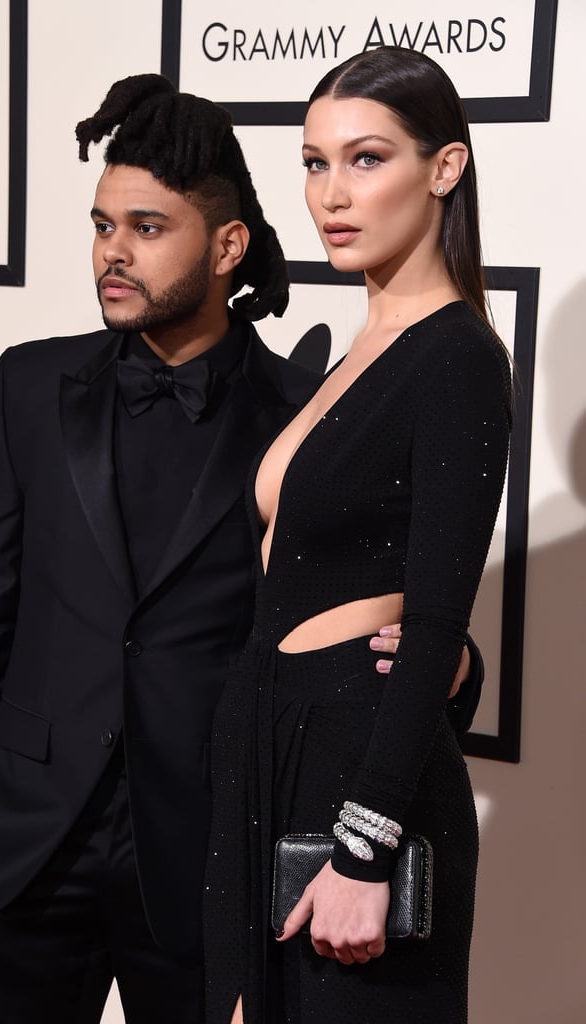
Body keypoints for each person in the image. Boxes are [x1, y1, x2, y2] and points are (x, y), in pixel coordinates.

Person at [0, 74, 480, 1024]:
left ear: (226, 247)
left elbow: (346, 594)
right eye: (102, 226)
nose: (113, 254)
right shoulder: (30, 384)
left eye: (145, 228)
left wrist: (448, 665)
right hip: (18, 852)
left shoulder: (300, 417)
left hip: (205, 854)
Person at [204, 46, 512, 1024]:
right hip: (268, 748)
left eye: (367, 159)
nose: (331, 194)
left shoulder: (456, 356)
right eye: (313, 161)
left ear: (445, 167)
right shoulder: (348, 350)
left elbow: (431, 624)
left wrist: (363, 847)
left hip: (355, 785)